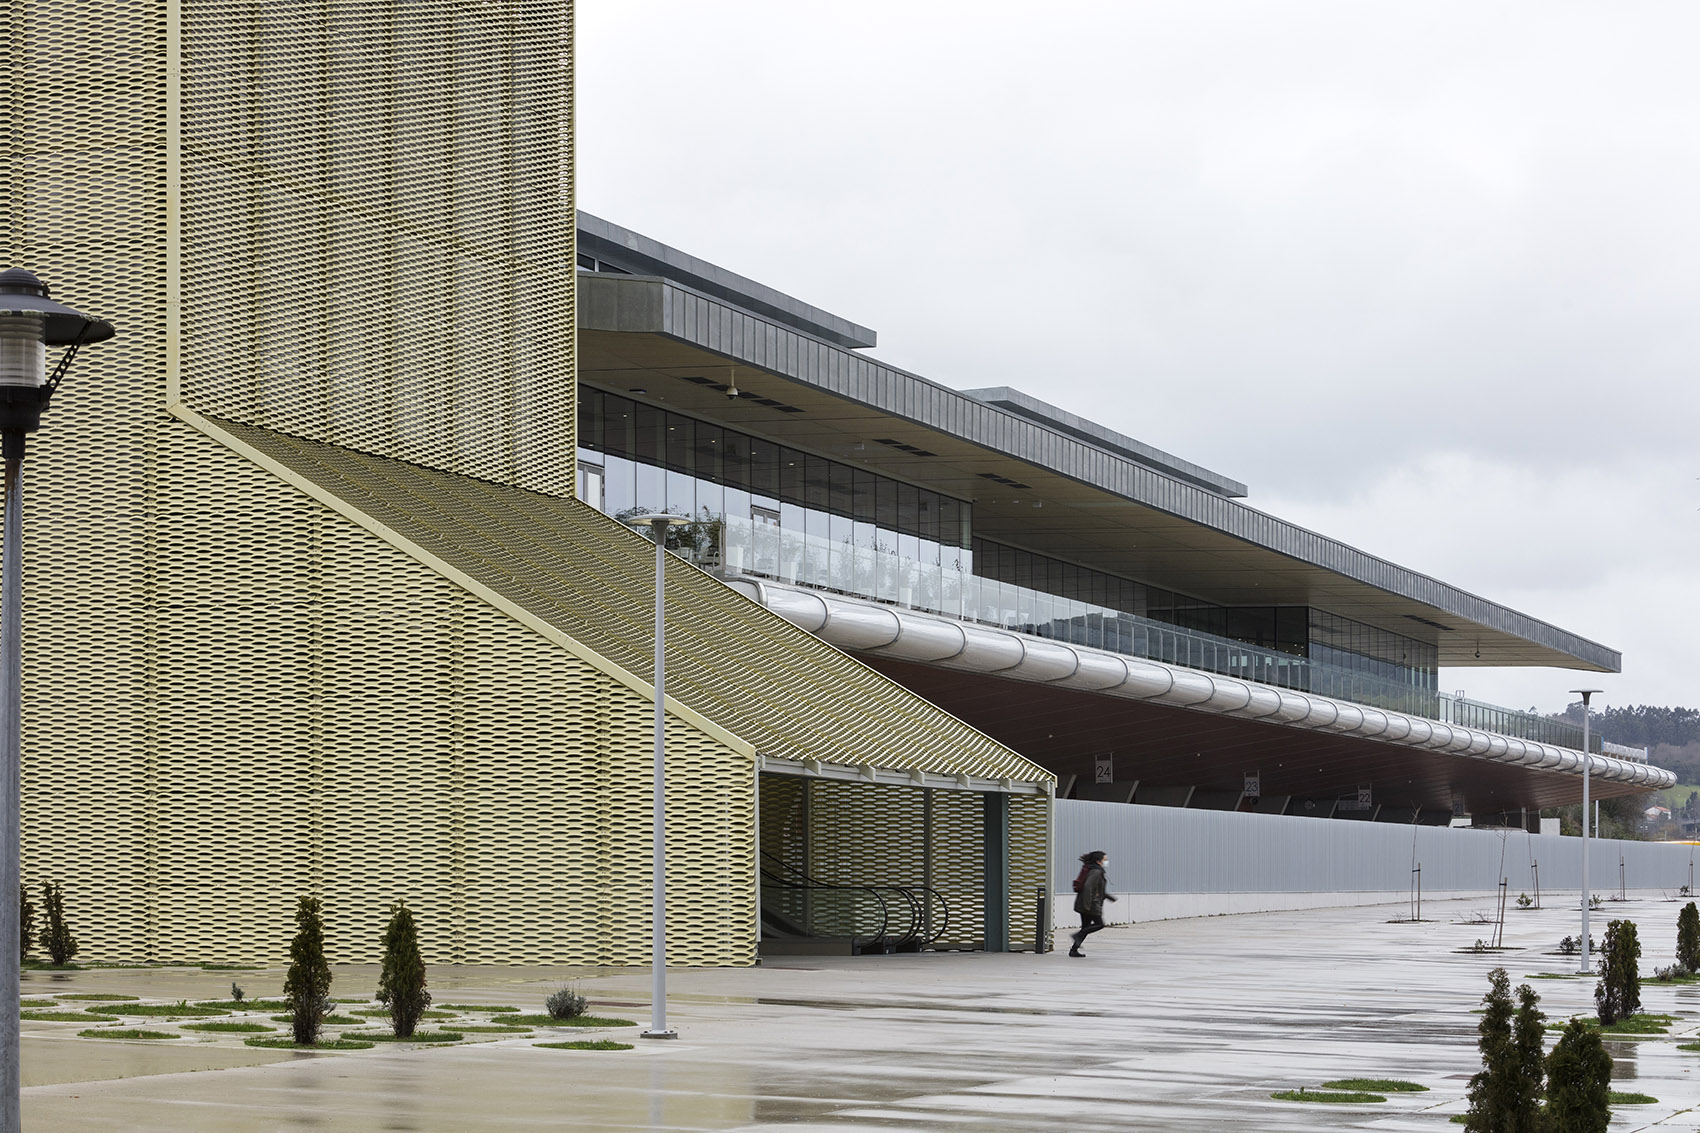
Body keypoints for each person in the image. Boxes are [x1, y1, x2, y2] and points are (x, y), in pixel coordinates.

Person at [1069, 849, 1116, 957]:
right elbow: (1088, 887)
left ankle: (1074, 950)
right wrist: (1087, 905)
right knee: (1099, 924)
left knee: (1086, 927)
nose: (1106, 861)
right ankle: (1077, 936)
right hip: (1090, 904)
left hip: (1085, 903)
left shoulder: (1094, 869)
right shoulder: (1096, 871)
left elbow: (1097, 890)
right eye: (1105, 859)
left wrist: (1109, 897)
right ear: (1098, 861)